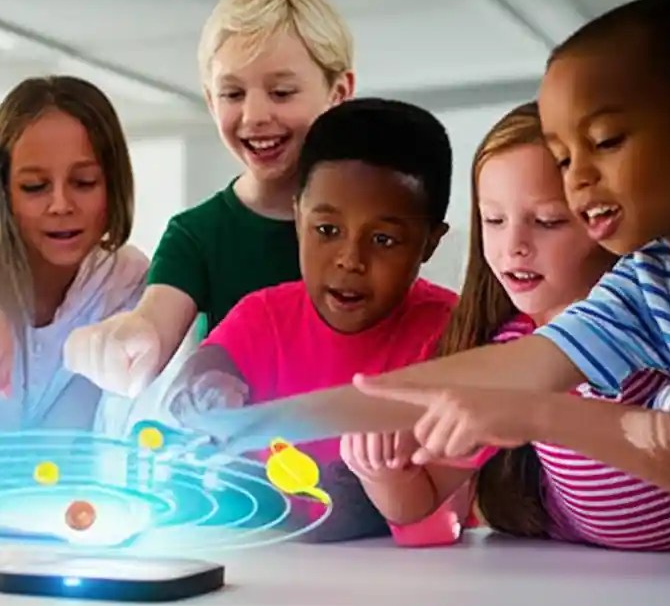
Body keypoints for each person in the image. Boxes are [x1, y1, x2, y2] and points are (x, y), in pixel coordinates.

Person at [298, 0, 670, 557]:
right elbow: (533, 360)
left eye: (606, 141)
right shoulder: (649, 279)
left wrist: (537, 415)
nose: (581, 179)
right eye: (565, 158)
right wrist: (366, 403)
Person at [343, 101, 670, 550]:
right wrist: (382, 472)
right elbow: (422, 497)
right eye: (493, 221)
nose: (514, 247)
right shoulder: (511, 352)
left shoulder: (660, 312)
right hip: (585, 570)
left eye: (548, 222)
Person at [164, 98, 457, 542]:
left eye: (383, 239)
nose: (350, 259)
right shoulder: (262, 316)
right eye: (327, 230)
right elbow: (199, 374)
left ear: (430, 242)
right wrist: (206, 391)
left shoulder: (453, 334)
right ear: (299, 216)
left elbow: (434, 513)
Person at [63, 0, 355, 398]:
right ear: (209, 99)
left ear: (338, 93)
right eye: (232, 94)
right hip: (238, 456)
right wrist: (105, 342)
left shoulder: (370, 222)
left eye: (282, 92)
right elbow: (152, 325)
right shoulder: (196, 234)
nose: (254, 116)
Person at [0, 75, 148, 432]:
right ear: (3, 193)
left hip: (76, 488)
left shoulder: (128, 279)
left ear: (113, 185)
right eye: (35, 187)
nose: (61, 205)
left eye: (84, 182)